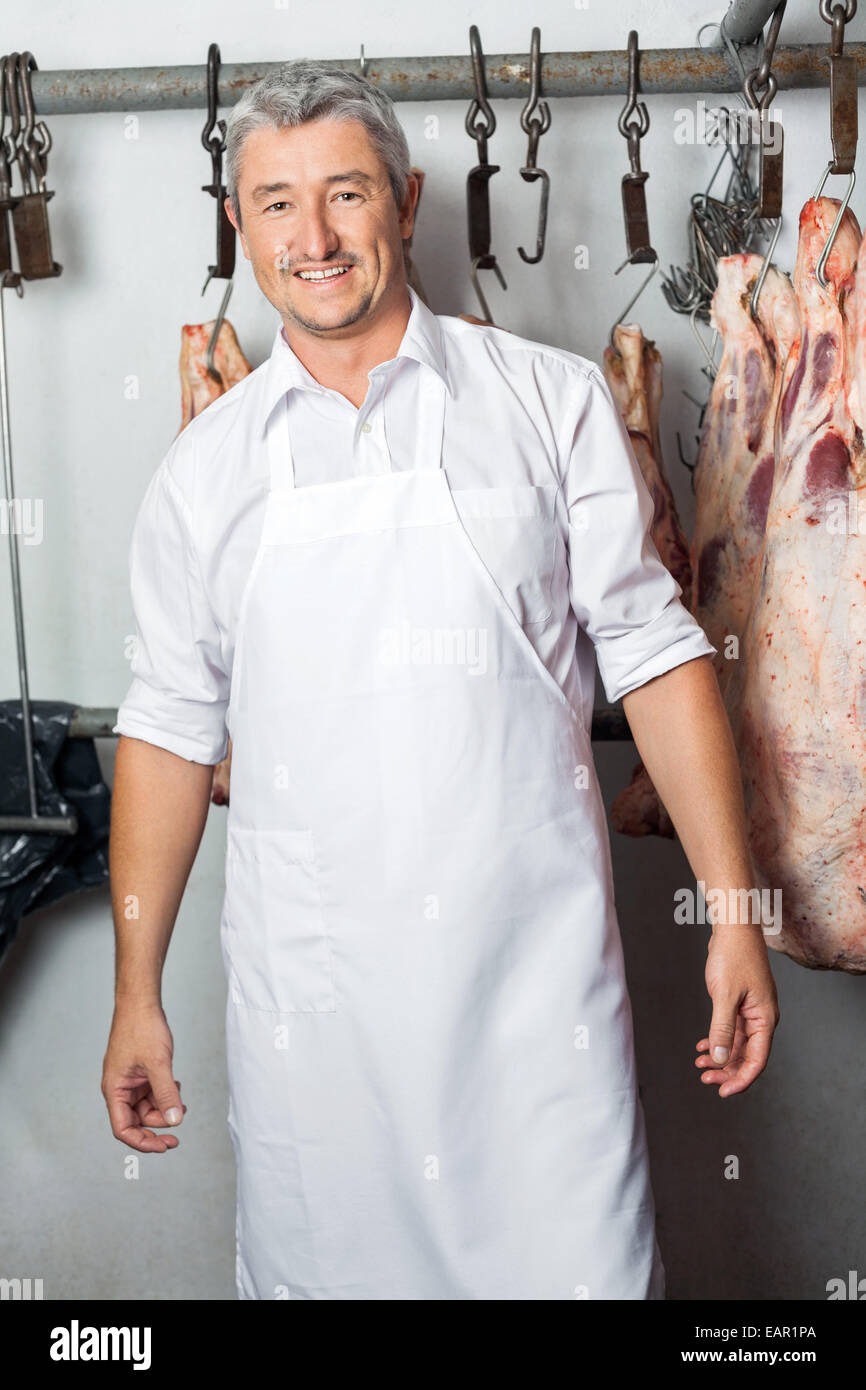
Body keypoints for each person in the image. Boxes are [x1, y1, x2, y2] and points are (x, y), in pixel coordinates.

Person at [103, 60, 779, 1301]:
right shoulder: (206, 472)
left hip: (534, 1003)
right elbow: (164, 730)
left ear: (405, 202)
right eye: (272, 205)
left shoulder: (549, 405)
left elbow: (657, 655)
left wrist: (733, 909)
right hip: (317, 1015)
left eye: (344, 194)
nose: (312, 238)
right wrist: (133, 991)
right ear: (239, 227)